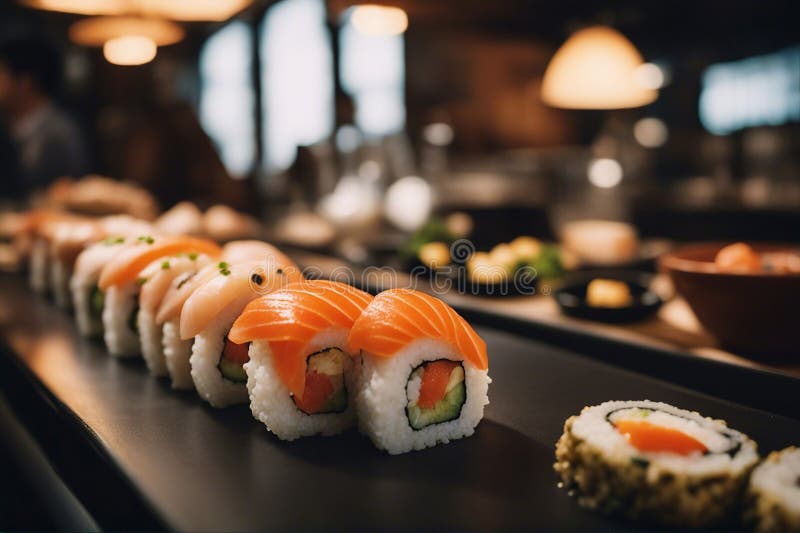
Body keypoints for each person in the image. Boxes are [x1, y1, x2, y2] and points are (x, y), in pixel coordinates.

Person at [0, 36, 86, 196]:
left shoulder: (58, 134)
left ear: (25, 82)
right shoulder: (10, 126)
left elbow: (61, 196)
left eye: (2, 74)